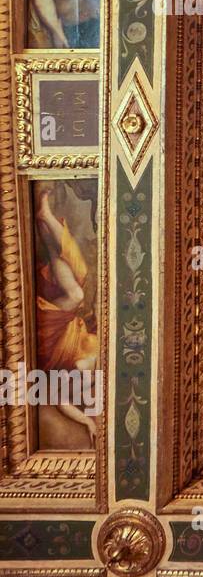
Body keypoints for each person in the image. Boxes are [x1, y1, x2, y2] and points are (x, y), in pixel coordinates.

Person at [34, 188, 99, 446]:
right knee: (80, 273)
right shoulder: (110, 354)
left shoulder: (85, 379)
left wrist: (86, 421)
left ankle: (48, 233)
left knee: (75, 294)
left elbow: (60, 399)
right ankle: (46, 218)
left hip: (53, 342)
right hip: (71, 326)